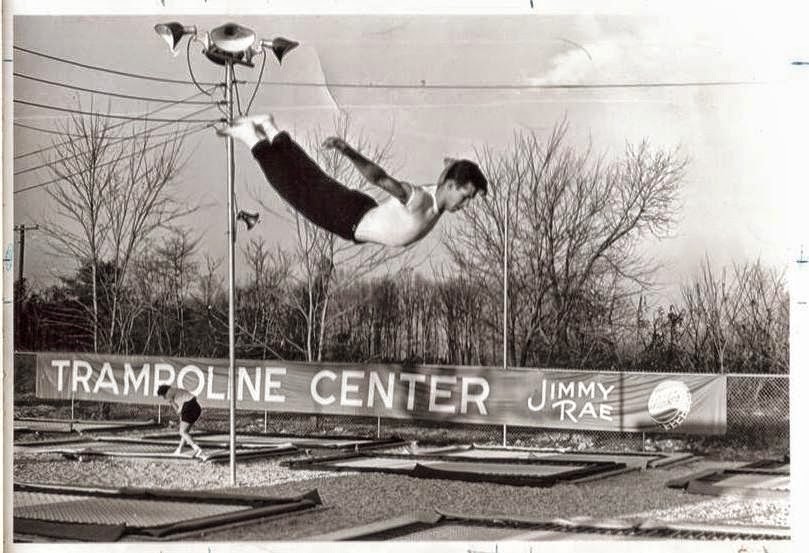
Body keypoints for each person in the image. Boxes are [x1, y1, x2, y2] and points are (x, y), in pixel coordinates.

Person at [217, 114, 488, 247]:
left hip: (361, 212)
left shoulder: (440, 195)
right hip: (350, 218)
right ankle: (252, 136)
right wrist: (346, 150)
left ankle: (271, 129)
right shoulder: (418, 200)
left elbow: (445, 179)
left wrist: (452, 165)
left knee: (311, 178)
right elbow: (379, 178)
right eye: (465, 197)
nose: (464, 205)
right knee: (292, 189)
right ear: (451, 187)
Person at [156, 384, 204, 457]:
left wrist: (180, 414)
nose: (164, 398)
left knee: (182, 432)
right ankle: (179, 450)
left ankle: (196, 448)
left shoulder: (168, 394)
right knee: (185, 432)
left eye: (163, 396)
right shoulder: (177, 389)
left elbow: (176, 409)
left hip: (187, 407)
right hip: (197, 407)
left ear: (163, 393)